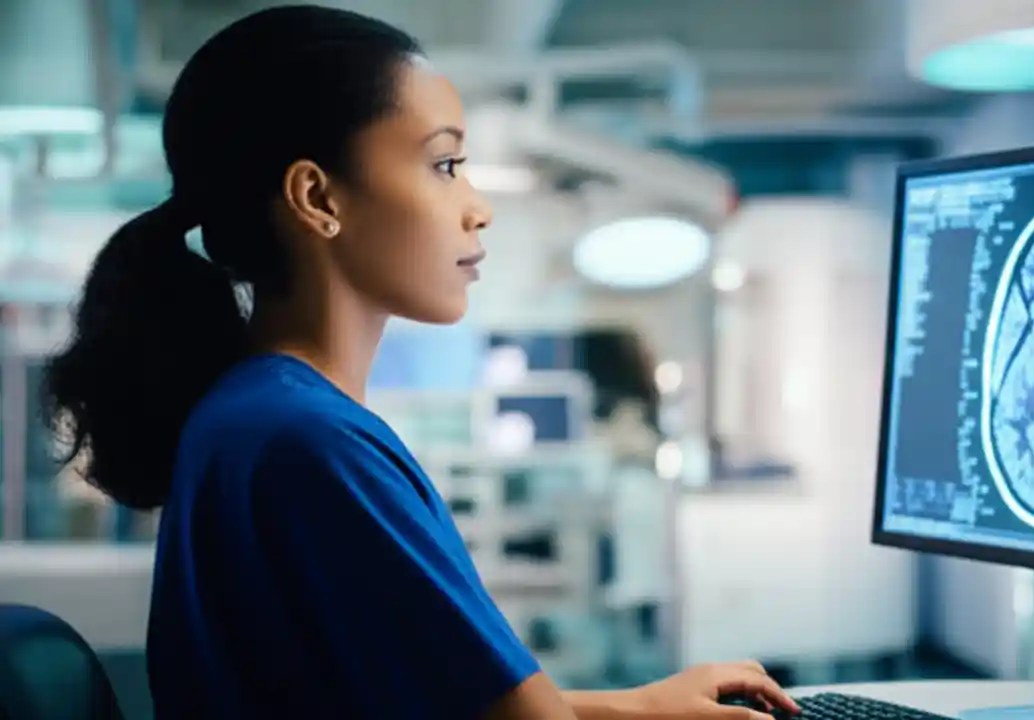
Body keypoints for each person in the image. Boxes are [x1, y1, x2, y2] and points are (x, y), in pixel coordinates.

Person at [42, 5, 799, 720]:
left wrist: (639, 705)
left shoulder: (256, 412)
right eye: (445, 164)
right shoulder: (308, 439)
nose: (478, 206)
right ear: (317, 198)